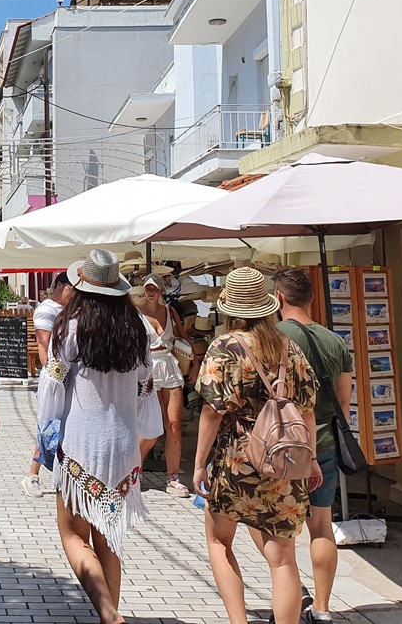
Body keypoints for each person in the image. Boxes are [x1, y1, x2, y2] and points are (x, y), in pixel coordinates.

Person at [192, 266, 322, 624]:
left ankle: (239, 621)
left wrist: (199, 463)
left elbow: (212, 411)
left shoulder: (224, 347)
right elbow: (307, 411)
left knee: (220, 541)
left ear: (230, 308)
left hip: (237, 459)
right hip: (286, 459)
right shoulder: (289, 347)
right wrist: (311, 461)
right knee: (283, 560)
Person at [37, 250, 159, 624]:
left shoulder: (70, 328)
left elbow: (53, 389)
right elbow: (145, 391)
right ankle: (111, 613)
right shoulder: (137, 330)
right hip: (123, 446)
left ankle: (108, 613)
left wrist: (46, 430)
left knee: (74, 536)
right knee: (109, 538)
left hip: (81, 444)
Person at [271, 268, 353, 624]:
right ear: (312, 298)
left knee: (276, 527)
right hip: (324, 439)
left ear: (279, 298)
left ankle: (291, 588)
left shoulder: (272, 337)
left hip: (283, 445)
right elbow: (344, 403)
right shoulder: (335, 342)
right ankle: (322, 609)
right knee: (322, 524)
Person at [135, 273, 194, 498]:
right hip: (147, 367)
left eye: (155, 289)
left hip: (168, 365)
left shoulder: (170, 312)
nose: (151, 292)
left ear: (161, 291)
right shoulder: (136, 313)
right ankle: (136, 466)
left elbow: (183, 337)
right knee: (147, 424)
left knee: (174, 424)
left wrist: (195, 363)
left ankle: (173, 477)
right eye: (148, 288)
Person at [20, 270, 74, 498]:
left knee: (57, 427)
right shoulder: (46, 309)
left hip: (66, 375)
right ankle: (32, 475)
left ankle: (57, 474)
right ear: (61, 285)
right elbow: (44, 346)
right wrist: (54, 377)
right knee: (48, 426)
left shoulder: (65, 310)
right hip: (55, 377)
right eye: (73, 288)